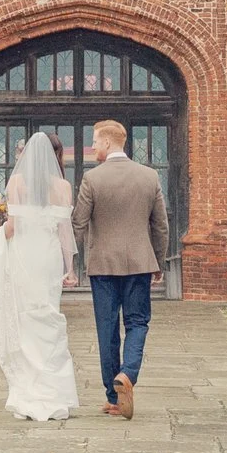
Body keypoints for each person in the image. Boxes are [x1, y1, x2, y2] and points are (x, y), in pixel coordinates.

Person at [0, 131, 81, 421]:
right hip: (48, 257)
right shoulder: (62, 186)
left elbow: (12, 227)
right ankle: (54, 393)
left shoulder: (17, 183)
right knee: (48, 314)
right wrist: (69, 268)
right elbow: (64, 231)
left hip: (25, 254)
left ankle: (29, 393)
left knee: (25, 318)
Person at [71, 118, 168, 420]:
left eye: (96, 141)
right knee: (138, 323)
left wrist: (70, 263)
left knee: (107, 328)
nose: (93, 146)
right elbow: (161, 226)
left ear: (109, 142)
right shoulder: (149, 176)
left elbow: (78, 222)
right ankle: (128, 374)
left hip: (102, 265)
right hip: (140, 262)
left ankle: (114, 397)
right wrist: (159, 261)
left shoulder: (92, 179)